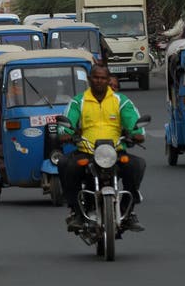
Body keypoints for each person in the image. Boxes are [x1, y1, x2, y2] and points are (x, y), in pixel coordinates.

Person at [58, 64, 146, 233]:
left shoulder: (121, 101)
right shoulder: (78, 101)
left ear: (108, 80)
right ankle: (76, 211)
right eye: (96, 77)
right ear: (90, 79)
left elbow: (133, 122)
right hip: (87, 151)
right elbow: (67, 123)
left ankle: (129, 211)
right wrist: (67, 133)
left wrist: (136, 133)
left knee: (137, 165)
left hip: (115, 152)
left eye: (103, 78)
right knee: (65, 164)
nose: (99, 81)